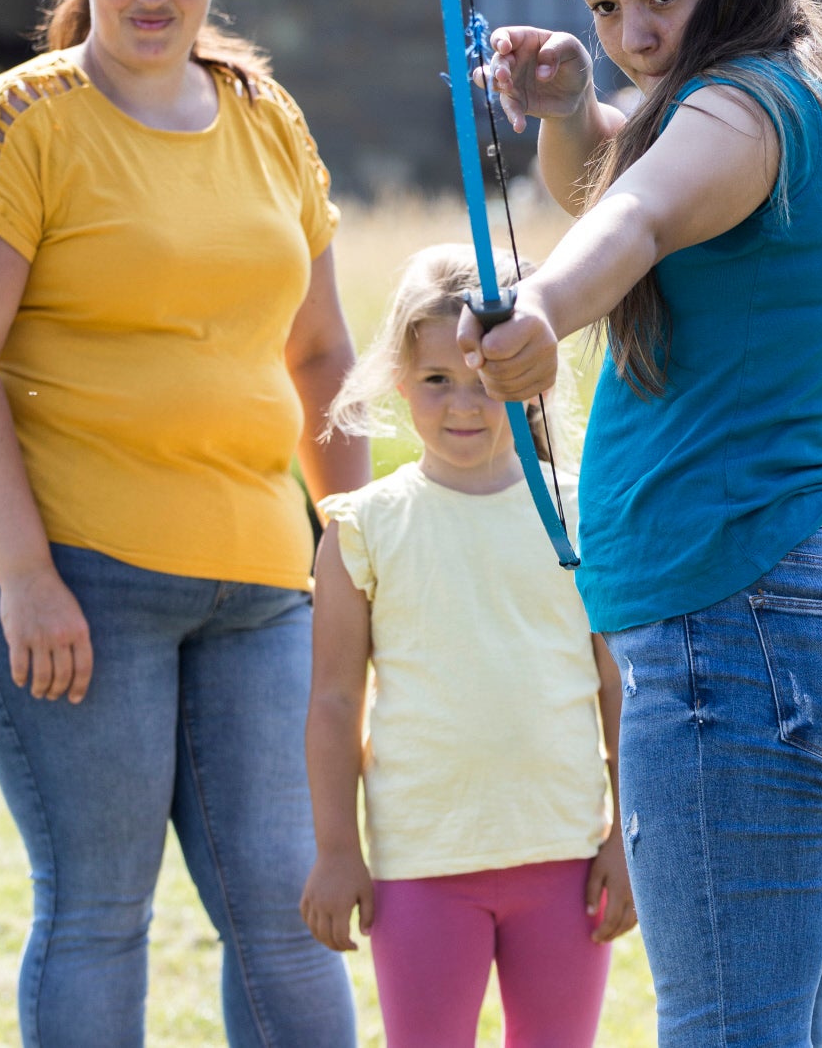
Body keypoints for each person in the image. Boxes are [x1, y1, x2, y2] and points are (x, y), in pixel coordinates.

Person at [470, 0, 822, 1048]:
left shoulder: (738, 108)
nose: (633, 30)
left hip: (744, 633)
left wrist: (538, 310)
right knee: (775, 1025)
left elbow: (629, 221)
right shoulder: (789, 94)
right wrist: (574, 103)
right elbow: (615, 185)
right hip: (803, 615)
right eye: (605, 2)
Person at [0, 0, 363, 1048]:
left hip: (260, 581)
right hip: (71, 571)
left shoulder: (268, 117)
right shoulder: (14, 123)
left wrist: (356, 546)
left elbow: (321, 353)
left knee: (286, 905)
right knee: (102, 908)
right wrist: (23, 576)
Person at [299, 244, 634, 1048]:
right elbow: (335, 699)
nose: (465, 404)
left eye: (487, 379)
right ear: (398, 382)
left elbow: (620, 684)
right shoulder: (363, 527)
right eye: (436, 380)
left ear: (529, 377)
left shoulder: (584, 513)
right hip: (420, 863)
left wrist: (628, 839)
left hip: (564, 853)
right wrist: (339, 849)